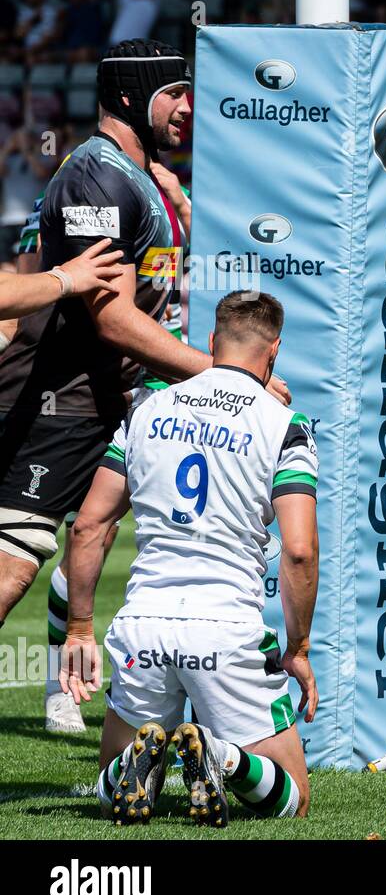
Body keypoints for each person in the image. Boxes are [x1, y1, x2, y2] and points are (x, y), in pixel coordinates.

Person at [0, 40, 291, 732]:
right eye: (176, 93)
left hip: (114, 403)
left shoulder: (146, 176)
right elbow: (114, 321)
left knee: (126, 537)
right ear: (133, 97)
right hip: (58, 406)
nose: (190, 107)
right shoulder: (96, 178)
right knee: (12, 568)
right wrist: (223, 377)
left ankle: (163, 703)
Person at [60, 291, 318, 826]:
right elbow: (298, 551)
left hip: (143, 626)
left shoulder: (146, 409)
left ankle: (144, 756)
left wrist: (80, 627)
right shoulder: (285, 424)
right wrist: (298, 647)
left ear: (210, 343)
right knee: (293, 799)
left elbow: (89, 525)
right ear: (274, 353)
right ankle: (222, 756)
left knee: (111, 789)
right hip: (226, 629)